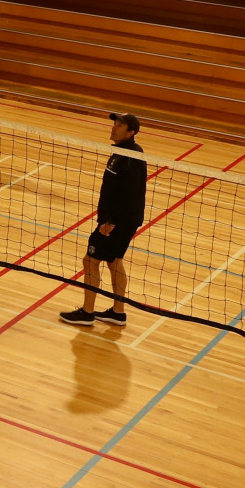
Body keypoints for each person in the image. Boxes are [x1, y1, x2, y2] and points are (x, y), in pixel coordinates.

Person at [62, 113, 147, 328]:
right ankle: (118, 312)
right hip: (120, 220)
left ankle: (87, 312)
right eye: (114, 124)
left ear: (131, 132)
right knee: (114, 260)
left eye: (120, 126)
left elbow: (129, 194)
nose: (114, 128)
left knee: (90, 261)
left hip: (118, 221)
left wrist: (110, 221)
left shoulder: (132, 157)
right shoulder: (120, 151)